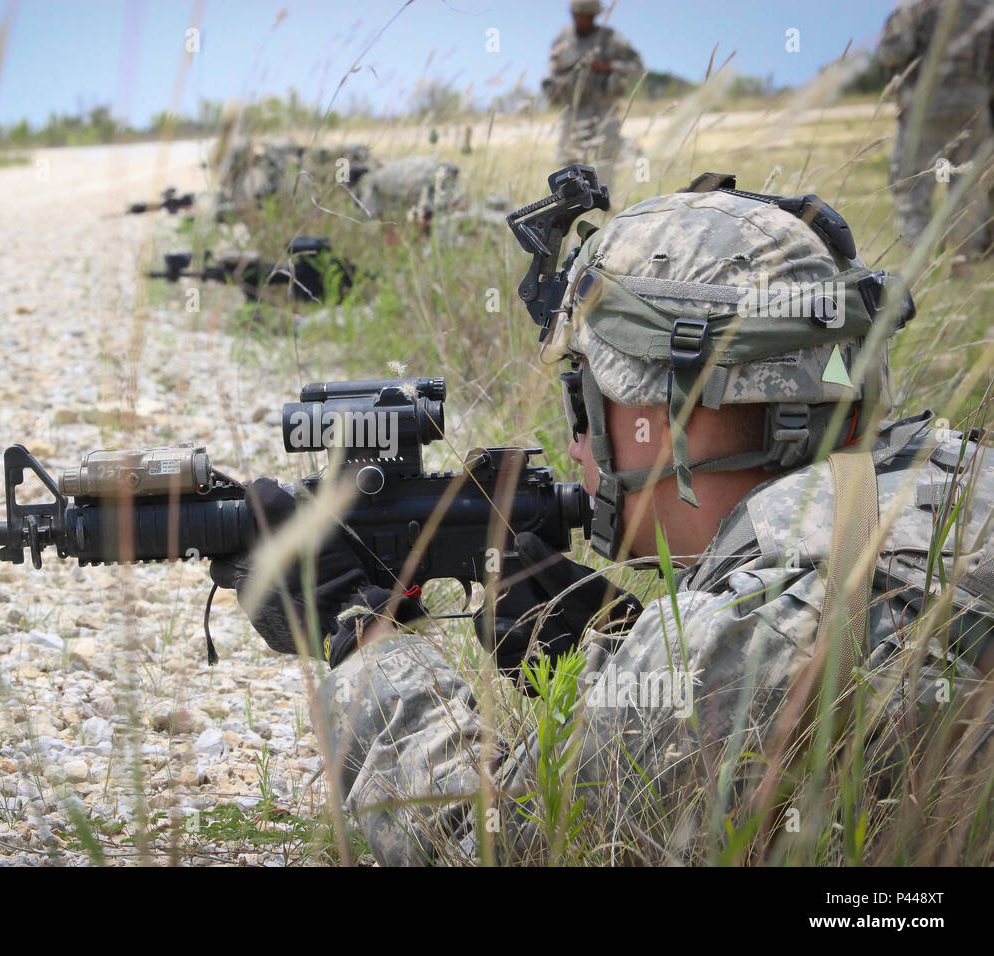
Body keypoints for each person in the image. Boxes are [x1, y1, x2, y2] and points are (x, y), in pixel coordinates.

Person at [211, 175, 994, 865]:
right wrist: (623, 649)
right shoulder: (954, 482)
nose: (579, 445)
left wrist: (361, 643)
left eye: (585, 395)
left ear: (674, 412)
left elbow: (483, 844)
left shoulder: (758, 640)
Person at [878, 0, 993, 262]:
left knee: (911, 188)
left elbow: (894, 51)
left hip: (926, 107)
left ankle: (919, 265)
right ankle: (964, 265)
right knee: (968, 188)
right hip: (975, 106)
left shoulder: (915, 7)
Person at [542, 0, 643, 194]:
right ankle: (570, 209)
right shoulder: (562, 38)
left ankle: (603, 207)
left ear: (594, 16)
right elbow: (552, 71)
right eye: (577, 14)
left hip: (603, 109)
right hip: (572, 111)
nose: (580, 20)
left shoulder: (610, 38)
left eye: (585, 16)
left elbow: (637, 65)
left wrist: (611, 66)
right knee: (567, 165)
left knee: (605, 162)